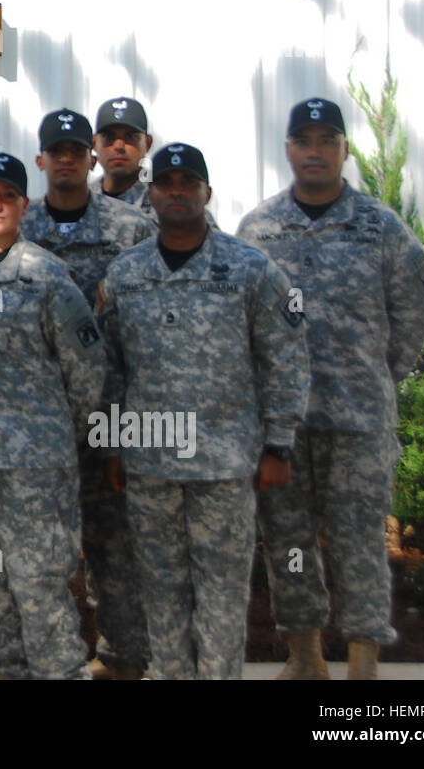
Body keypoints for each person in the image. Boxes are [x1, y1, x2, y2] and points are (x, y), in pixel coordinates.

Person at [237, 98, 424, 680]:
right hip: (284, 425)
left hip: (358, 423)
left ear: (345, 150)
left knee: (358, 545)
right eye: (305, 140)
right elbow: (244, 317)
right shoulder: (260, 228)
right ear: (289, 150)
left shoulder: (380, 227)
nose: (316, 151)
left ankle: (363, 664)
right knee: (288, 543)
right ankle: (305, 659)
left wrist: (378, 373)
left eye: (328, 140)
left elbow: (415, 309)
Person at [97, 143, 309, 679]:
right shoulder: (124, 275)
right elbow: (112, 367)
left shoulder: (250, 269)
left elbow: (283, 357)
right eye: (165, 183)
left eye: (187, 182)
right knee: (161, 595)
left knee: (221, 595)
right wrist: (115, 444)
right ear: (150, 195)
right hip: (150, 466)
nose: (175, 191)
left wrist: (278, 443)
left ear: (206, 193)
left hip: (224, 464)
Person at [0, 152, 106, 680]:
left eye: (7, 195)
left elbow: (88, 367)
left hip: (37, 468)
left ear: (22, 205)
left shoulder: (48, 276)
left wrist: (58, 432)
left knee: (41, 591)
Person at [20, 108, 155, 679]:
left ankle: (122, 660)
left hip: (109, 419)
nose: (68, 159)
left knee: (114, 552)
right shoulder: (15, 232)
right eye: (58, 151)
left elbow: (143, 336)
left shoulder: (130, 230)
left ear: (90, 157)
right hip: (36, 426)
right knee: (40, 558)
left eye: (78, 150)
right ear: (42, 160)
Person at [93, 97, 155, 214]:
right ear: (94, 143)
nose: (119, 146)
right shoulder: (82, 200)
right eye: (109, 137)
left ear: (148, 143)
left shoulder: (164, 197)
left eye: (130, 137)